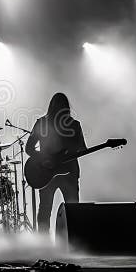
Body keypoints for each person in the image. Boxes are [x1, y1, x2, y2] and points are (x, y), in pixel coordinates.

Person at [25, 92, 86, 233]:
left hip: (62, 172)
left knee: (52, 210)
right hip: (54, 173)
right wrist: (45, 159)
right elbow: (29, 148)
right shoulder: (70, 125)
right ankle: (70, 244)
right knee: (71, 211)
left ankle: (47, 245)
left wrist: (43, 159)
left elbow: (82, 148)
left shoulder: (69, 125)